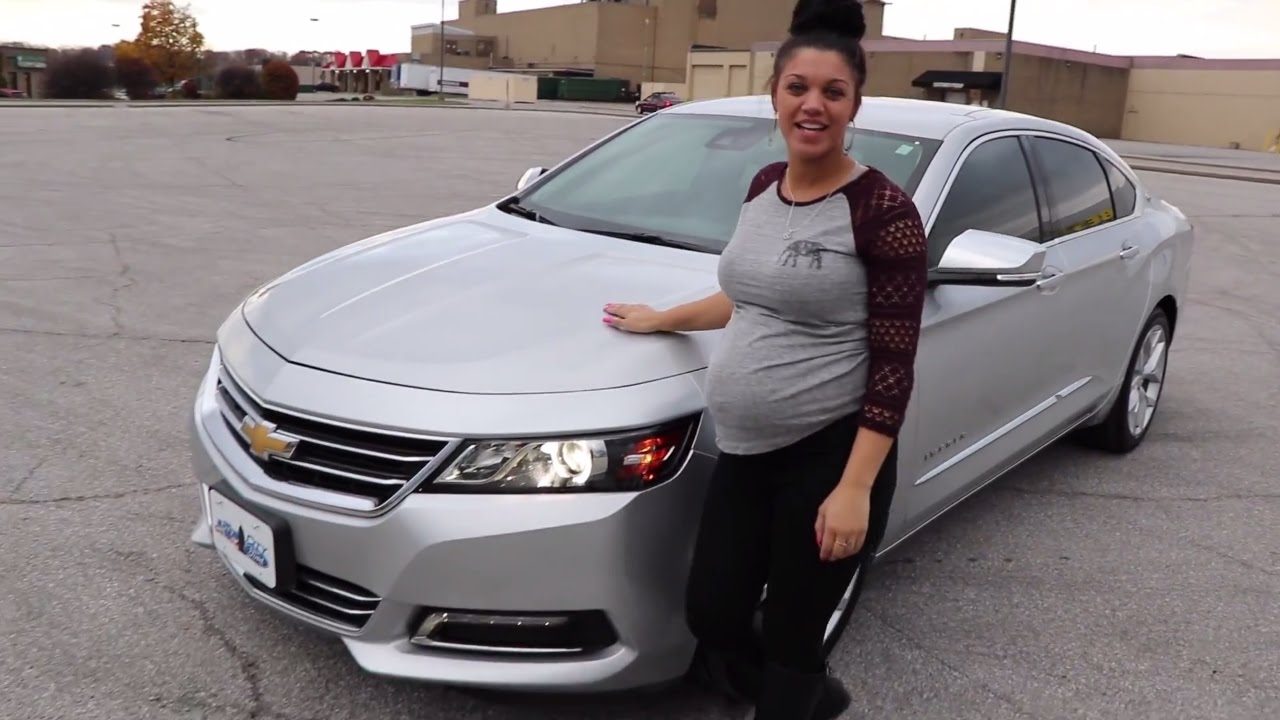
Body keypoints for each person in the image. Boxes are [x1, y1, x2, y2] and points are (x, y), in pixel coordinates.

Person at [600, 0, 929, 717]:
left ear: (854, 106)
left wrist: (854, 490)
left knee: (792, 629)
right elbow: (751, 295)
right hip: (748, 452)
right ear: (775, 96)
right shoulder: (762, 189)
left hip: (831, 451)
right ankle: (814, 702)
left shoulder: (883, 213)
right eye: (798, 88)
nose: (813, 105)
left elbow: (895, 364)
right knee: (712, 612)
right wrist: (666, 318)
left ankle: (793, 695)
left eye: (832, 93)